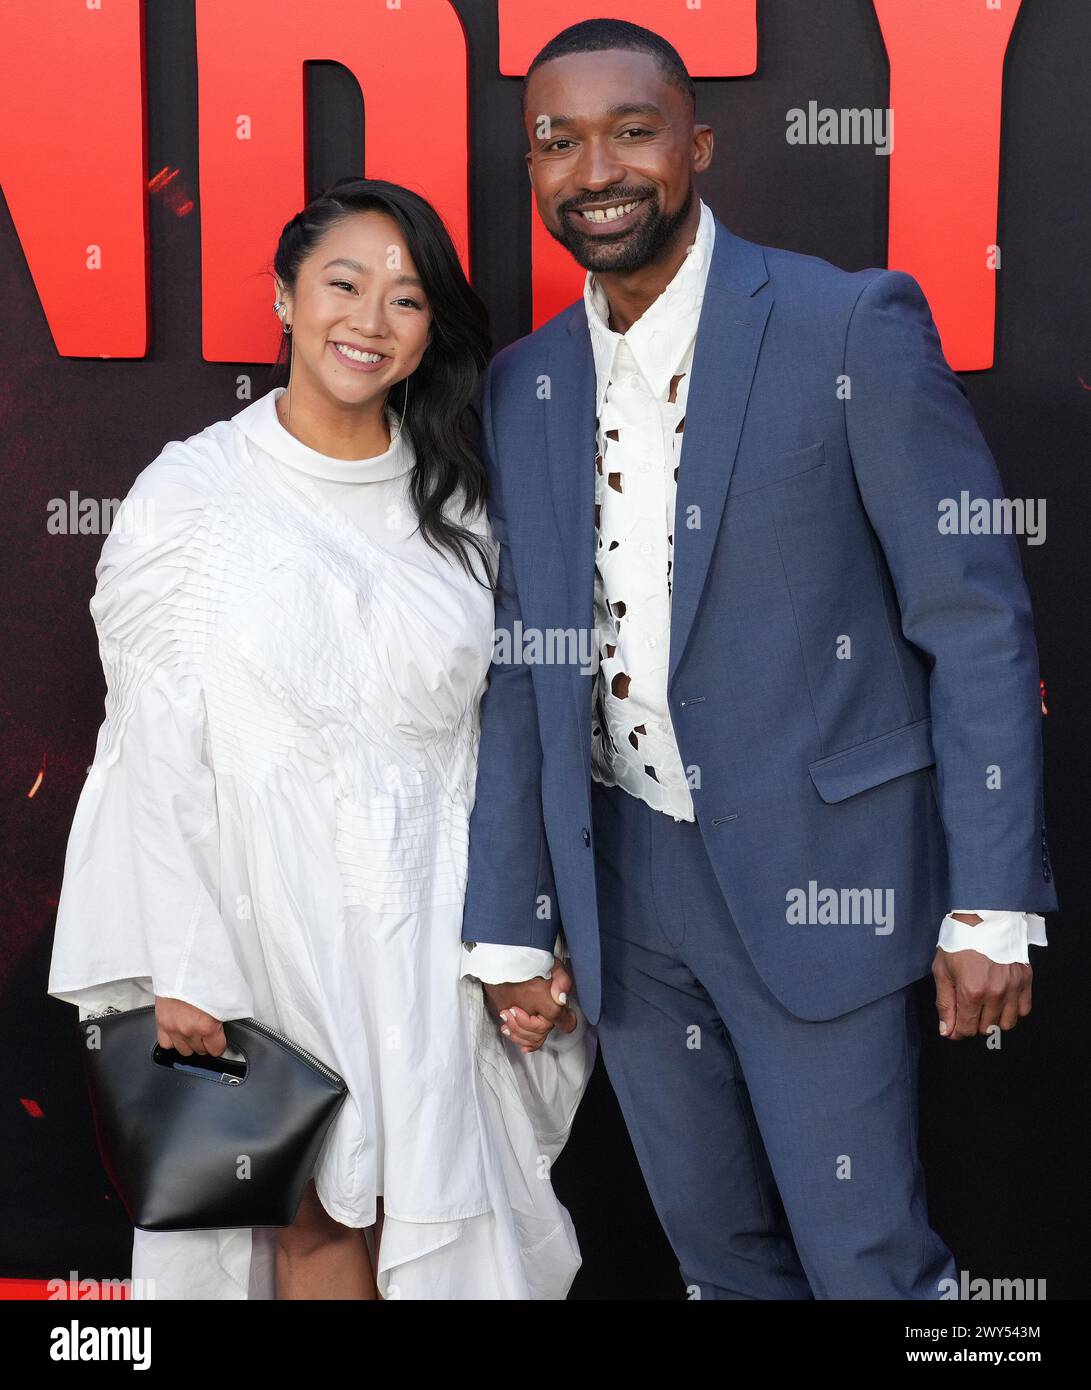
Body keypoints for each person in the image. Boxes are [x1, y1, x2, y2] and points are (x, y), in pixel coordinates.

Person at [459, 20, 1057, 1299]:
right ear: (530, 171)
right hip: (625, 892)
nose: (594, 169)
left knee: (869, 1263)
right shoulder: (523, 384)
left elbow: (974, 622)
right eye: (555, 142)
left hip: (816, 873)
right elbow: (525, 667)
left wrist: (990, 896)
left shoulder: (846, 324)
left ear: (698, 145)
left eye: (631, 130)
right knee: (715, 1260)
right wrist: (512, 918)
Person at [48, 177, 594, 1300]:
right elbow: (152, 753)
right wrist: (187, 968)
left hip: (430, 922)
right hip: (258, 921)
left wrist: (526, 934)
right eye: (343, 283)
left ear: (429, 328)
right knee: (307, 1214)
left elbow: (512, 744)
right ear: (288, 297)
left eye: (405, 299)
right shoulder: (193, 493)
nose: (369, 319)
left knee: (431, 1213)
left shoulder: (465, 502)